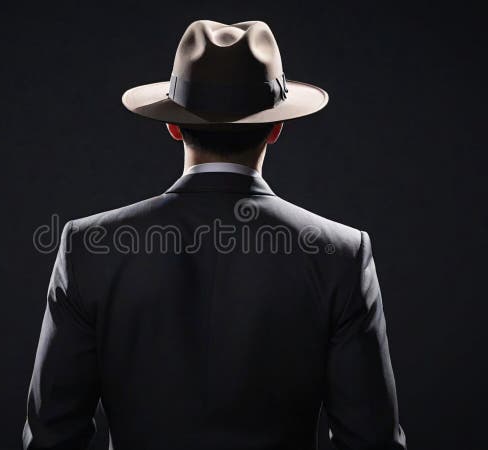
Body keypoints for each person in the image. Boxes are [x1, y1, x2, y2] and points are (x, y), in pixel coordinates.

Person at [23, 20, 407, 450]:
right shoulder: (341, 255)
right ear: (277, 127)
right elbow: (371, 441)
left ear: (173, 124)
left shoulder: (88, 249)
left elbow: (52, 437)